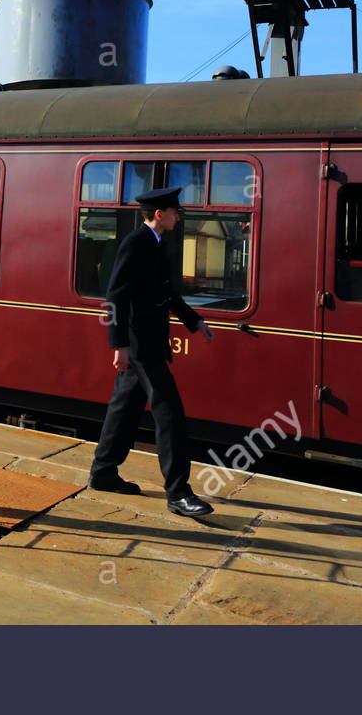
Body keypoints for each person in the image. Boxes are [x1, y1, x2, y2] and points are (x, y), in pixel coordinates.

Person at [90, 186, 217, 517]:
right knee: (169, 414)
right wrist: (118, 345)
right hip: (139, 344)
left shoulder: (159, 243)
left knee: (124, 408)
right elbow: (115, 295)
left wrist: (196, 321)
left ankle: (103, 472)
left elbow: (169, 294)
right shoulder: (136, 242)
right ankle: (178, 492)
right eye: (175, 211)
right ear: (159, 214)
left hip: (150, 342)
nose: (179, 216)